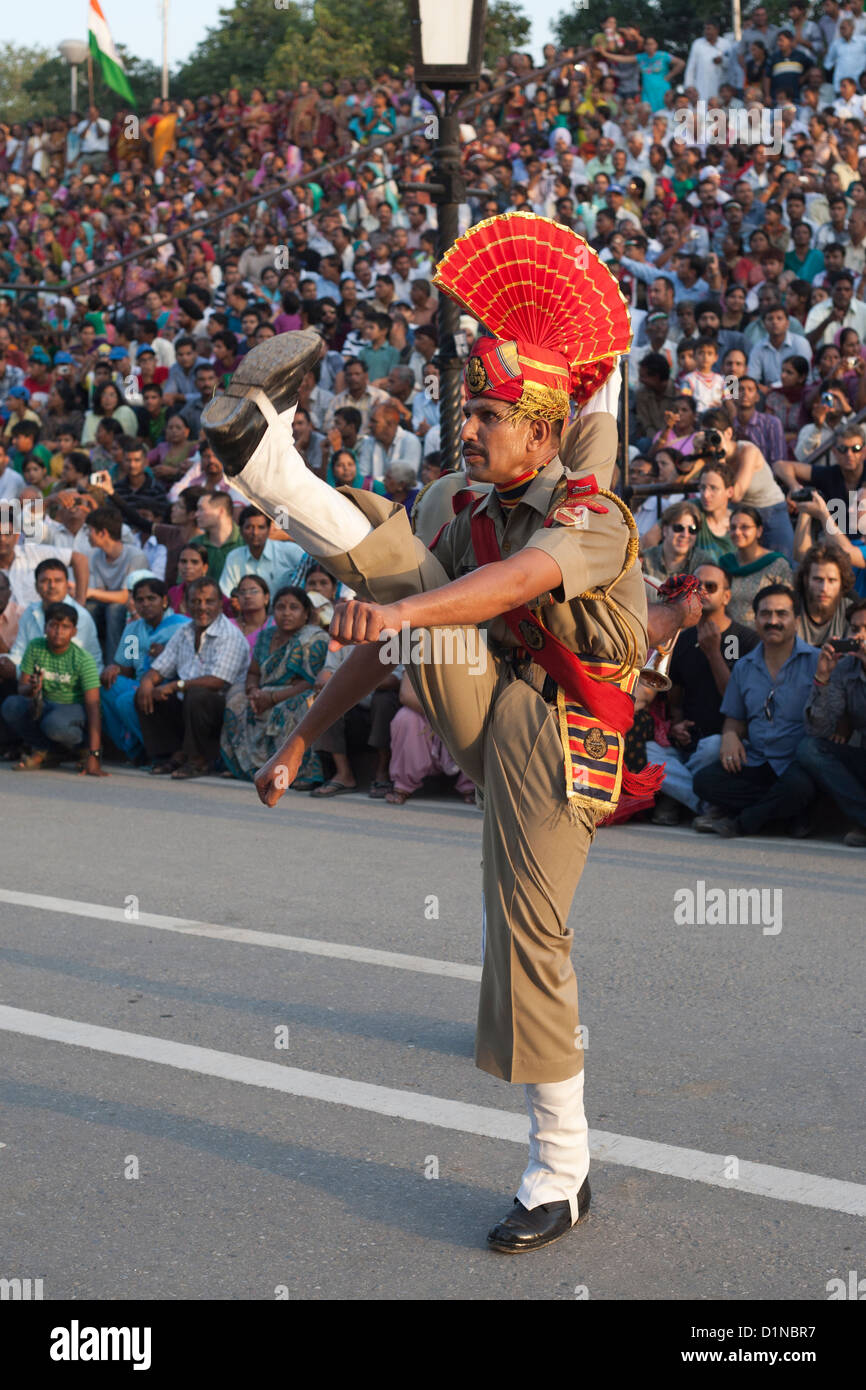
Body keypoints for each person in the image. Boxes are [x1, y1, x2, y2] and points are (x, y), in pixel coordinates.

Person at [202, 217, 699, 1254]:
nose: (464, 424)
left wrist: (404, 616)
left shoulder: (595, 511)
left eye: (484, 412)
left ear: (544, 427)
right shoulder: (451, 496)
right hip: (482, 692)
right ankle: (273, 470)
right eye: (465, 405)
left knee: (527, 936)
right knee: (416, 577)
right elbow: (400, 622)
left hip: (563, 738)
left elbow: (507, 584)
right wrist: (300, 734)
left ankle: (561, 1173)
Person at [692, 584, 818, 837]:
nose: (773, 621)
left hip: (796, 763)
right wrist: (729, 736)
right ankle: (785, 815)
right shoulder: (744, 667)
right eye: (766, 614)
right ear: (756, 619)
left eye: (781, 614)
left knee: (799, 787)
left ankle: (742, 823)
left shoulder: (817, 661)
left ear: (797, 619)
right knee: (704, 782)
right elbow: (734, 719)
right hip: (758, 759)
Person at [648, 562, 760, 825]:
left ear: (727, 596)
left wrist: (713, 652)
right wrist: (676, 725)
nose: (703, 592)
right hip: (688, 743)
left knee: (711, 747)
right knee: (646, 752)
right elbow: (674, 694)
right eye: (697, 587)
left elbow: (736, 698)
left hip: (724, 741)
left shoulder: (740, 639)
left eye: (711, 587)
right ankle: (705, 804)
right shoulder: (683, 639)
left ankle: (677, 797)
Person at [135, 575, 249, 779]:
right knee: (146, 692)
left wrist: (175, 685)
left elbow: (217, 681)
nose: (202, 607)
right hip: (188, 702)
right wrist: (146, 682)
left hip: (219, 705)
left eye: (209, 601)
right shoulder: (184, 632)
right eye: (196, 601)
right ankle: (171, 755)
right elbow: (160, 668)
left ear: (220, 605)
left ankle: (199, 760)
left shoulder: (230, 635)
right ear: (186, 605)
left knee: (197, 694)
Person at [221, 585, 327, 784]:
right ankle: (248, 767)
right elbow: (253, 672)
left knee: (292, 709)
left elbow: (310, 683)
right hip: (263, 692)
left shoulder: (313, 638)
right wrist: (253, 692)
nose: (286, 613)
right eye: (280, 607)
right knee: (236, 701)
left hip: (298, 692)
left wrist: (271, 698)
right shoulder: (266, 636)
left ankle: (298, 773)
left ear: (305, 614)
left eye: (293, 607)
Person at [2, 601, 105, 774]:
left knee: (54, 723)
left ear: (74, 632)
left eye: (65, 627)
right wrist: (32, 689)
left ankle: (84, 750)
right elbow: (22, 689)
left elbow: (94, 707)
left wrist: (94, 754)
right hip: (46, 705)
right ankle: (45, 750)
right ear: (44, 628)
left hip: (72, 709)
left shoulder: (83, 659)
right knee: (11, 705)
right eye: (53, 625)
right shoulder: (35, 647)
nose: (58, 632)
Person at [797, 598, 866, 846]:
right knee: (809, 749)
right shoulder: (846, 667)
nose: (861, 636)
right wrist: (823, 676)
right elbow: (819, 728)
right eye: (856, 629)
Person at [100, 576, 190, 761]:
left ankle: (159, 752)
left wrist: (167, 653)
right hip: (140, 682)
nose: (145, 604)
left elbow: (193, 664)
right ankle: (133, 748)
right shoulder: (134, 630)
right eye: (140, 600)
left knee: (126, 701)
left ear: (164, 600)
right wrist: (114, 669)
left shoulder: (181, 626)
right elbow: (127, 667)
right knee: (105, 687)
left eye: (151, 599)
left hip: (169, 685)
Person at [84, 506, 148, 660]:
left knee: (114, 610)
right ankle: (90, 659)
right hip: (109, 602)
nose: (87, 535)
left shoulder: (135, 556)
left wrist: (90, 592)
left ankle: (114, 663)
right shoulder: (96, 556)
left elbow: (126, 597)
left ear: (103, 533)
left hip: (132, 607)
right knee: (90, 607)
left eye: (90, 530)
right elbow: (101, 590)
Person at [719, 505, 794, 624]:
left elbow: (789, 605)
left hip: (765, 634)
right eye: (733, 527)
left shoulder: (776, 564)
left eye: (744, 527)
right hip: (731, 636)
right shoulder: (725, 564)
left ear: (759, 531)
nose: (737, 532)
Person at [218, 504, 306, 598]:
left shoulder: (290, 551)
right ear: (241, 531)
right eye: (249, 527)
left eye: (261, 527)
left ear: (269, 530)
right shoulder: (234, 557)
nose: (255, 533)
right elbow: (225, 593)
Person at [794, 541, 854, 645]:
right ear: (806, 579)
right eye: (818, 579)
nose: (824, 588)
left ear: (842, 582)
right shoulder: (791, 607)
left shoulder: (852, 611)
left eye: (832, 580)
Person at [641, 501, 717, 580]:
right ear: (665, 530)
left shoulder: (704, 564)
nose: (685, 535)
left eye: (692, 529)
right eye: (679, 528)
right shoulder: (644, 561)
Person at [230, 574, 271, 653]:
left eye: (254, 591)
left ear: (266, 598)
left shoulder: (276, 626)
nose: (247, 596)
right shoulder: (228, 626)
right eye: (242, 592)